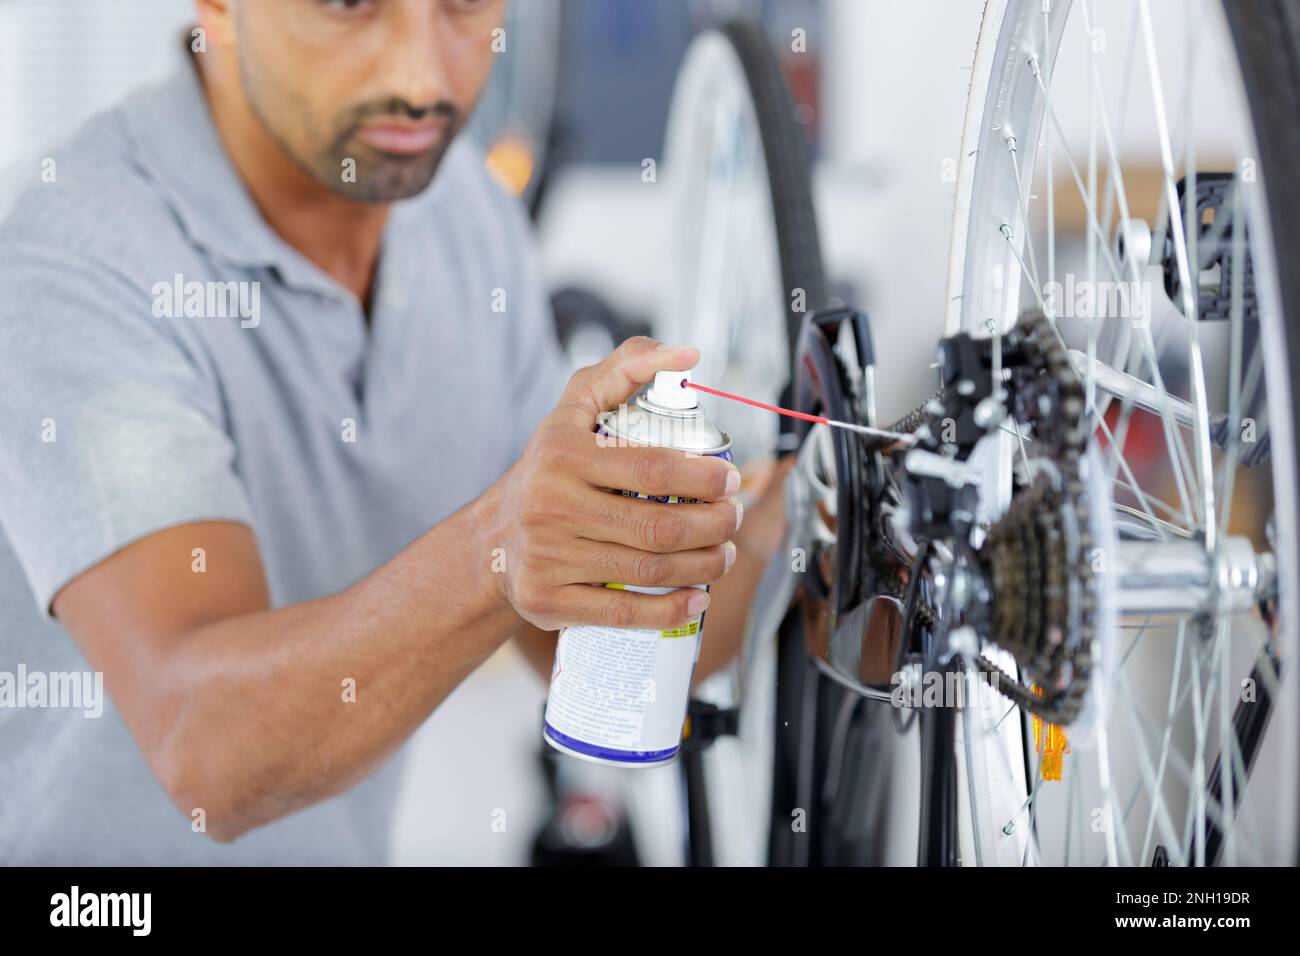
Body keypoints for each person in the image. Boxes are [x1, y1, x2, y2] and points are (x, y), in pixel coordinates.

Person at [0, 0, 788, 864]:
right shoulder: (74, 253)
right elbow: (209, 752)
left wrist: (771, 538)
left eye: (462, 5)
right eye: (349, 5)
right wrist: (500, 545)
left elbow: (575, 642)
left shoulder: (467, 220)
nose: (423, 80)